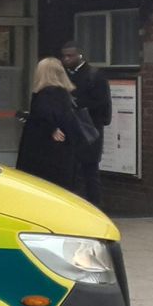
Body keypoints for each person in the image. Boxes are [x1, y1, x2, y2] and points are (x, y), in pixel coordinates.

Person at [16, 57, 81, 189]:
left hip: (43, 153)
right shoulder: (64, 94)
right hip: (63, 154)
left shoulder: (45, 94)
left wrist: (51, 128)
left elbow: (43, 115)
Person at [62, 41, 113, 206]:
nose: (66, 59)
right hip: (73, 129)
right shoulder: (65, 74)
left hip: (90, 129)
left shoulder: (94, 75)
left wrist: (79, 103)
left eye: (70, 56)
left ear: (80, 55)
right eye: (64, 56)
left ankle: (95, 205)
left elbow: (102, 102)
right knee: (72, 171)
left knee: (90, 171)